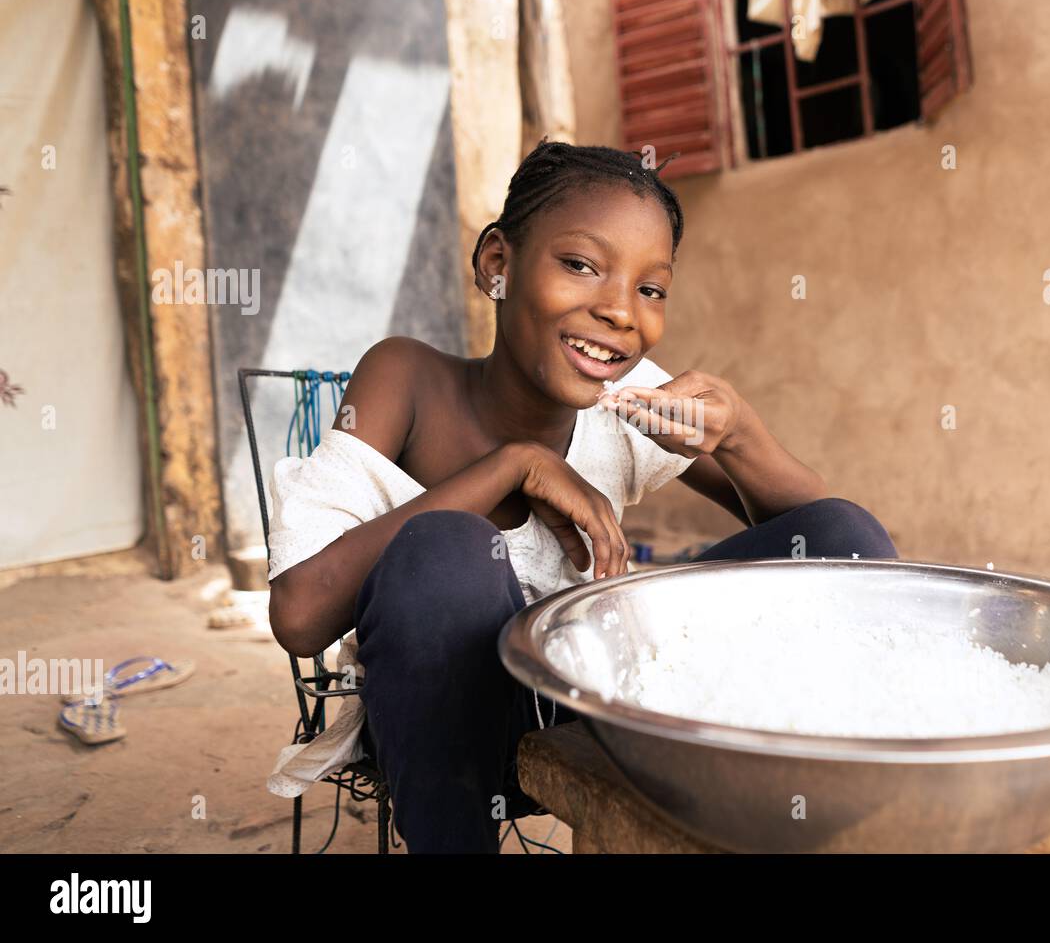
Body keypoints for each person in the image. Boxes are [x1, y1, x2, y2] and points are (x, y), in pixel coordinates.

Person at [266, 139, 897, 853]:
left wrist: (741, 434)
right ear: (498, 264)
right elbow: (297, 613)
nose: (620, 312)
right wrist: (514, 467)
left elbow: (837, 554)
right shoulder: (408, 379)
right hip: (444, 724)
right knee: (447, 547)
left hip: (604, 705)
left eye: (650, 289)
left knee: (852, 533)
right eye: (580, 265)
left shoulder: (624, 404)